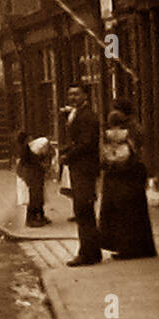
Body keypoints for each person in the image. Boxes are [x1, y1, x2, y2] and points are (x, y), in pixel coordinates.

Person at [98, 106, 156, 260]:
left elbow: (106, 156)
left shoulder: (112, 135)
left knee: (121, 214)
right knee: (137, 214)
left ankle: (125, 248)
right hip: (134, 175)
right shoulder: (136, 130)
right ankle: (143, 248)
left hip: (118, 177)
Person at [62, 85, 102, 266]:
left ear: (85, 95)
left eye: (77, 94)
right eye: (70, 94)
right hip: (80, 168)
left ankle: (86, 254)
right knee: (84, 211)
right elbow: (77, 141)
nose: (73, 97)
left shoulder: (87, 116)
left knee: (83, 211)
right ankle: (93, 252)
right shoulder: (79, 114)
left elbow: (86, 143)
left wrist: (68, 155)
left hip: (84, 169)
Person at [15, 131, 53, 228]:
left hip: (34, 174)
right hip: (30, 175)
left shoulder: (26, 148)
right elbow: (32, 160)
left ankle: (40, 215)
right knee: (34, 197)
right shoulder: (25, 150)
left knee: (38, 195)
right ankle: (31, 219)